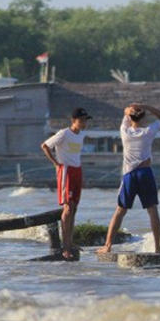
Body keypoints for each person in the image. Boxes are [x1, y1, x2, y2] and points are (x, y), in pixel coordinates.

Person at [97, 103, 160, 254]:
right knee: (152, 210)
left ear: (130, 118)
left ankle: (108, 246)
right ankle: (157, 247)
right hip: (145, 172)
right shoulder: (148, 131)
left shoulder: (125, 131)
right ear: (143, 118)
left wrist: (131, 108)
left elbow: (125, 111)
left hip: (129, 175)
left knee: (120, 211)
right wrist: (145, 106)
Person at [40, 107, 91, 260]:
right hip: (66, 171)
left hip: (77, 170)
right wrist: (56, 164)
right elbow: (45, 146)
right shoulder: (64, 133)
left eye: (85, 121)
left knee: (74, 207)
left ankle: (71, 242)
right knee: (68, 207)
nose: (84, 124)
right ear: (74, 120)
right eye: (81, 121)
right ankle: (65, 246)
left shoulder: (81, 135)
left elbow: (76, 154)